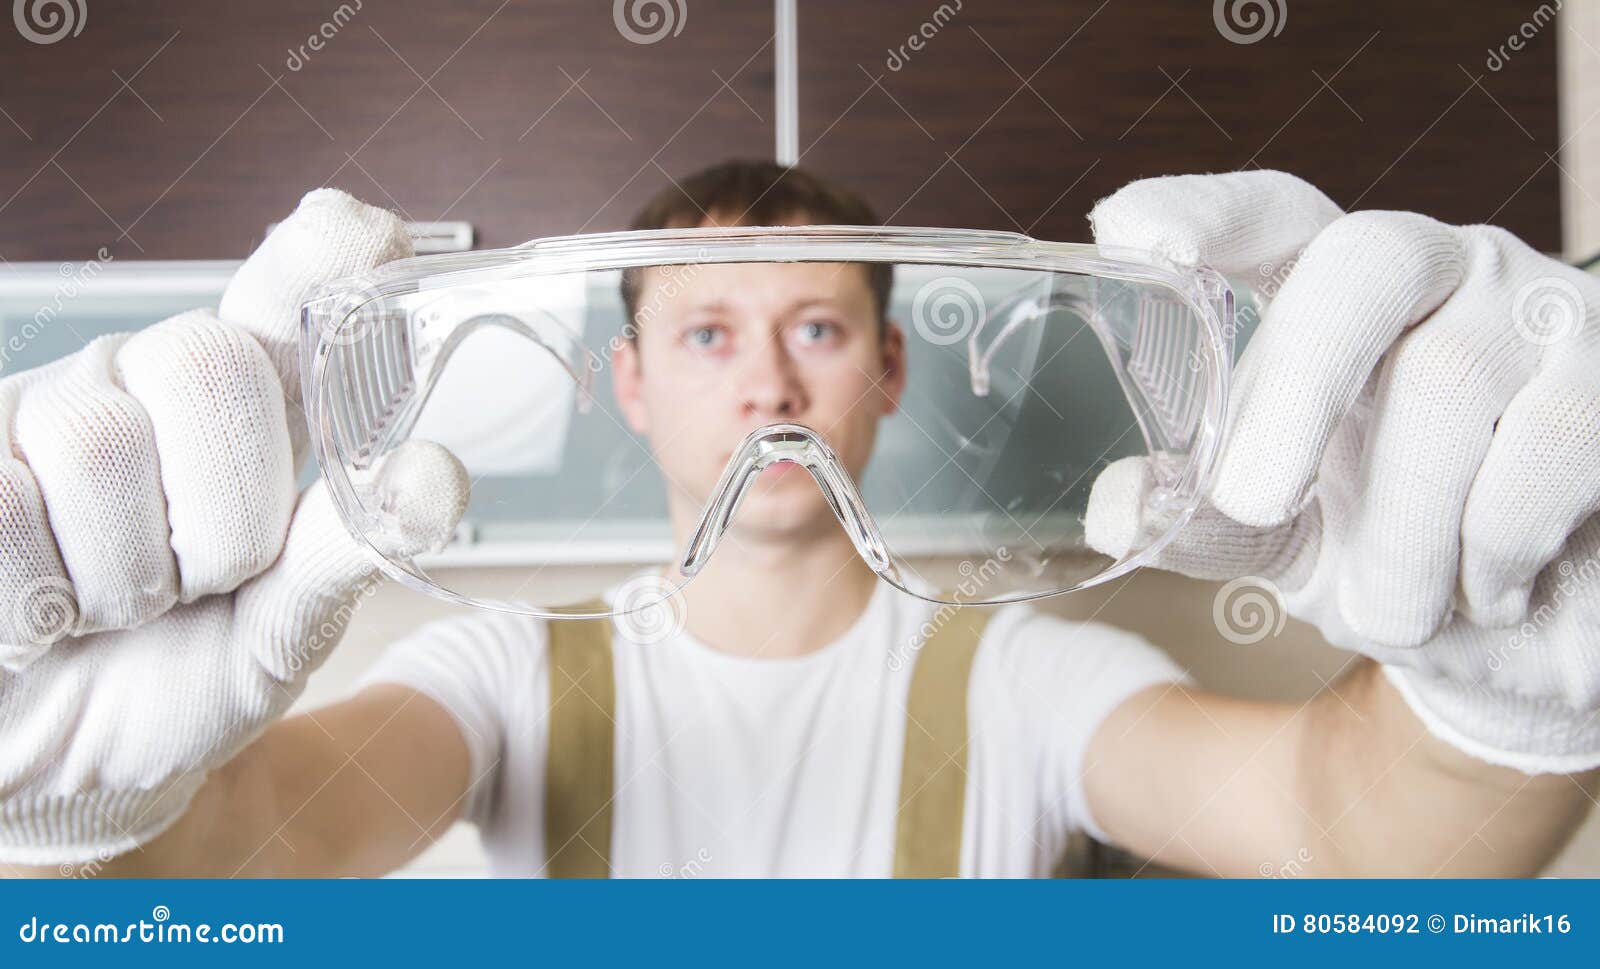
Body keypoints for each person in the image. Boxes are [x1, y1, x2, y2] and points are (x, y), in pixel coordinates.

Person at [1, 161, 1597, 877]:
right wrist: (64, 820)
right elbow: (251, 862)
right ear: (627, 382)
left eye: (818, 330)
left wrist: (1508, 706)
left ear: (890, 367)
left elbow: (1348, 835)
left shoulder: (1021, 676)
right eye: (708, 335)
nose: (767, 383)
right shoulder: (499, 671)